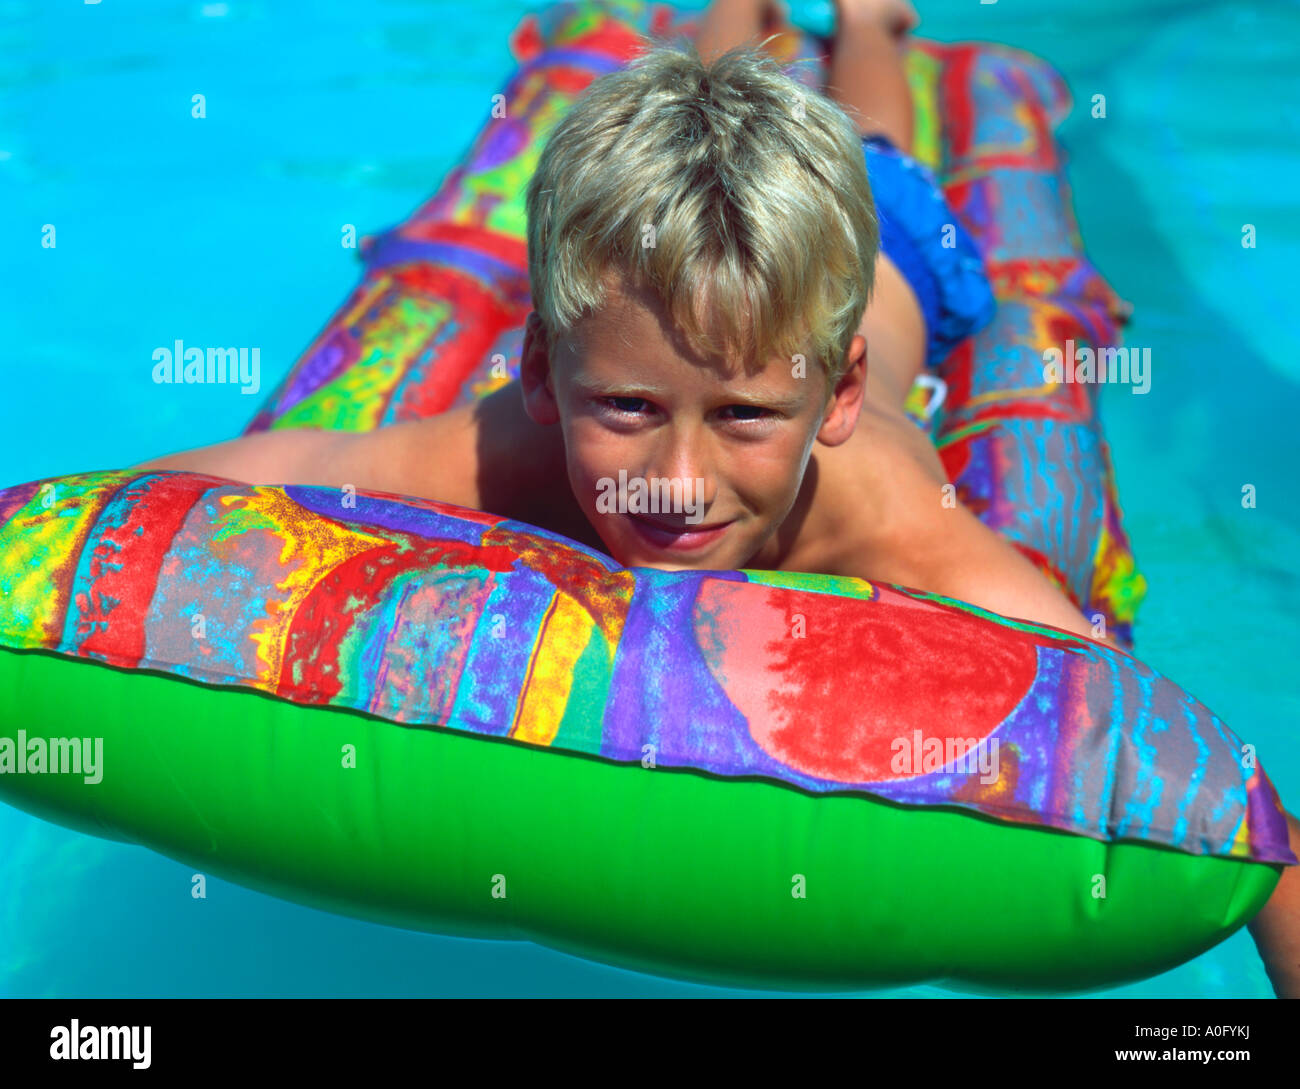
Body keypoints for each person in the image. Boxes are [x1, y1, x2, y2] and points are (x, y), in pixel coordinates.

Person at [135, 0, 1300, 995]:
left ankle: (870, 24)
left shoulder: (899, 526)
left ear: (834, 400)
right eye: (629, 410)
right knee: (708, 71)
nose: (675, 482)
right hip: (776, 289)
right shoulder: (510, 449)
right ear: (539, 371)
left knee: (877, 148)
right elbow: (283, 474)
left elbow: (1215, 793)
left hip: (898, 261)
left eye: (745, 417)